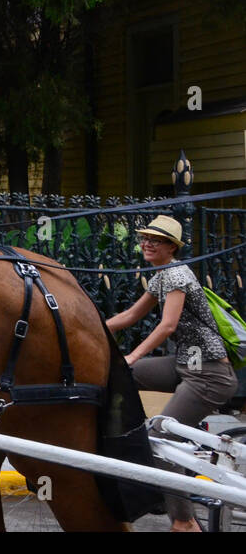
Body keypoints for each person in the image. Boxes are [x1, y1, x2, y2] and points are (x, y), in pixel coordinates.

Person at [105, 215, 238, 531]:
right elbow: (131, 315)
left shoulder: (177, 273)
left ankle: (183, 521)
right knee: (116, 375)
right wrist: (88, 328)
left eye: (157, 240)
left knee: (163, 440)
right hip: (187, 363)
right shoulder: (161, 275)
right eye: (145, 238)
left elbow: (168, 325)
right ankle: (124, 441)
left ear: (171, 247)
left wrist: (133, 355)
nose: (147, 243)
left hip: (208, 374)